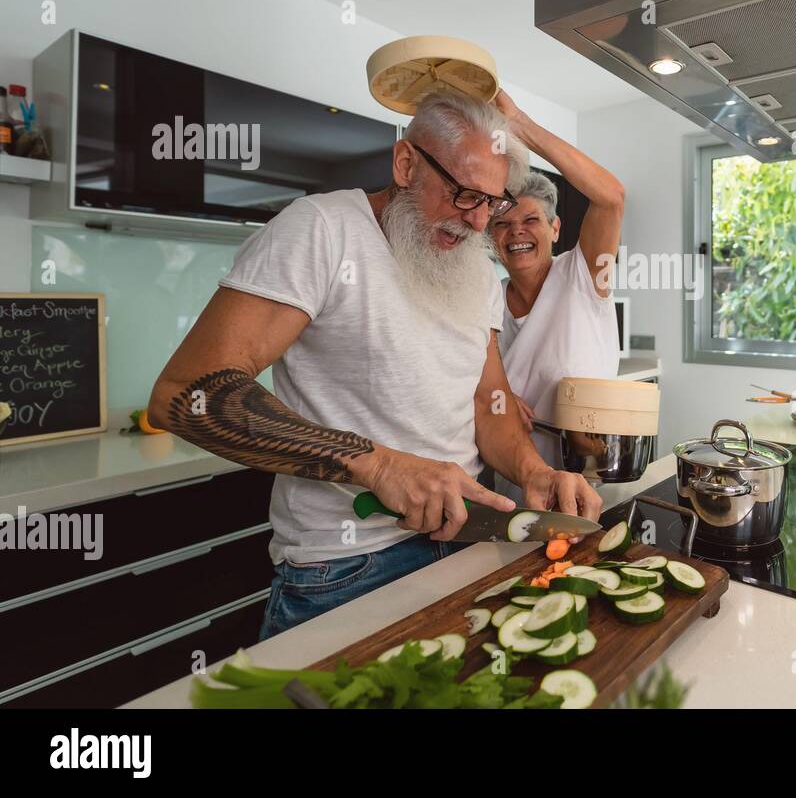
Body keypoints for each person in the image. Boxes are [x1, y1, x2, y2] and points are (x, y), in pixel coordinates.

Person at [149, 92, 602, 640]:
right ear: (406, 164)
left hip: (466, 542)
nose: (478, 221)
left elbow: (488, 400)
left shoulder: (477, 270)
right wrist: (382, 467)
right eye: (462, 195)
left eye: (493, 202)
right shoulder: (322, 229)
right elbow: (185, 393)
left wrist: (535, 472)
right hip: (345, 567)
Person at [488, 90, 625, 468]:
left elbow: (611, 198)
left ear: (555, 229)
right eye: (502, 224)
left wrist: (520, 126)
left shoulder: (582, 274)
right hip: (515, 476)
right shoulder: (486, 300)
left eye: (530, 220)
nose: (516, 232)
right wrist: (495, 396)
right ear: (490, 238)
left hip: (593, 475)